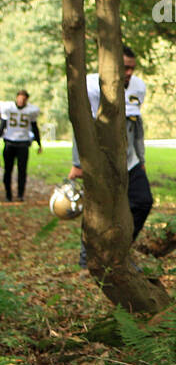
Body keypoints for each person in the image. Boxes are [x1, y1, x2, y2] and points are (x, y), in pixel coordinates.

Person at [70, 46, 153, 240]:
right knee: (99, 211)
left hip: (129, 159)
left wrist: (141, 158)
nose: (130, 73)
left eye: (133, 68)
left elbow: (136, 126)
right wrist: (78, 163)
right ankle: (90, 257)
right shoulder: (91, 86)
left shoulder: (138, 87)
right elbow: (81, 129)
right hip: (100, 159)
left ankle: (122, 247)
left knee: (143, 201)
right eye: (125, 67)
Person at [2, 90, 42, 201]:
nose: (21, 101)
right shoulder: (8, 108)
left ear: (26, 100)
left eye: (23, 99)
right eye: (19, 98)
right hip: (9, 142)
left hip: (23, 143)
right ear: (16, 98)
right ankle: (8, 195)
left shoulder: (31, 111)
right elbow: (3, 125)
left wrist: (39, 143)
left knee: (22, 171)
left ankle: (20, 195)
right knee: (8, 170)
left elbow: (34, 127)